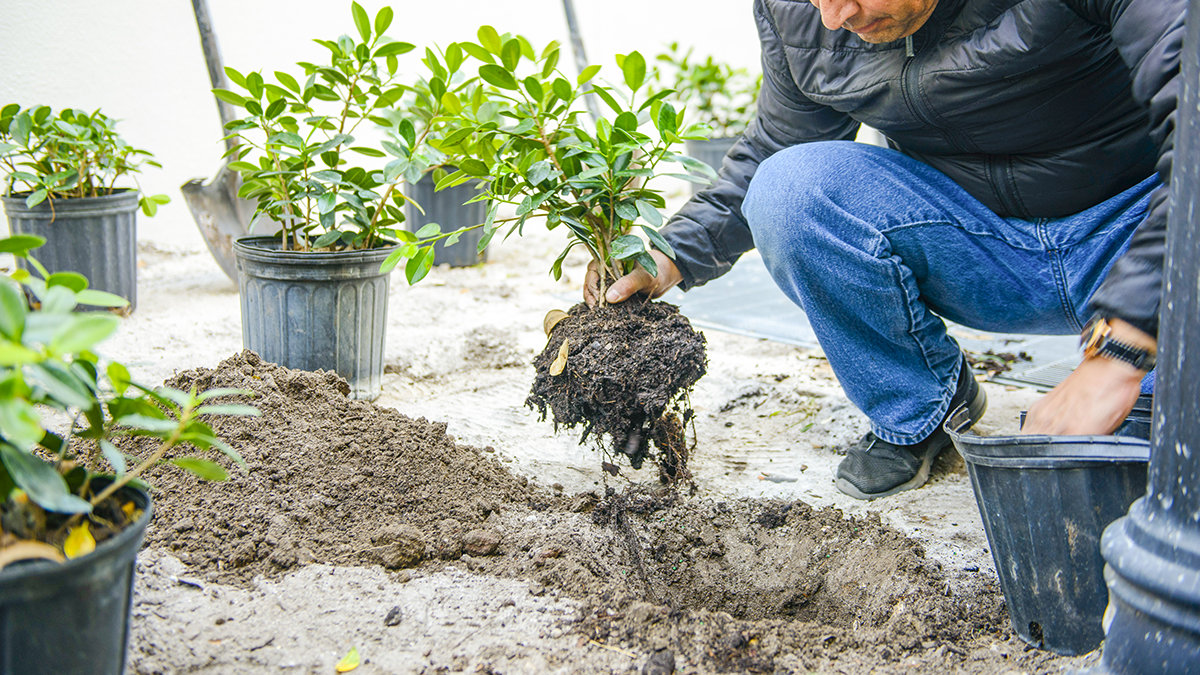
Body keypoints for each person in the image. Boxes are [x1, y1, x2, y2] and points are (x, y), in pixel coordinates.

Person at [585, 0, 1178, 499]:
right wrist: (672, 254)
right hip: (975, 248)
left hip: (1137, 236)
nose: (835, 17)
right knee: (789, 188)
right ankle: (925, 408)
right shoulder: (804, 13)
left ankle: (1163, 380)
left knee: (1151, 453)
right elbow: (780, 142)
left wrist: (1120, 351)